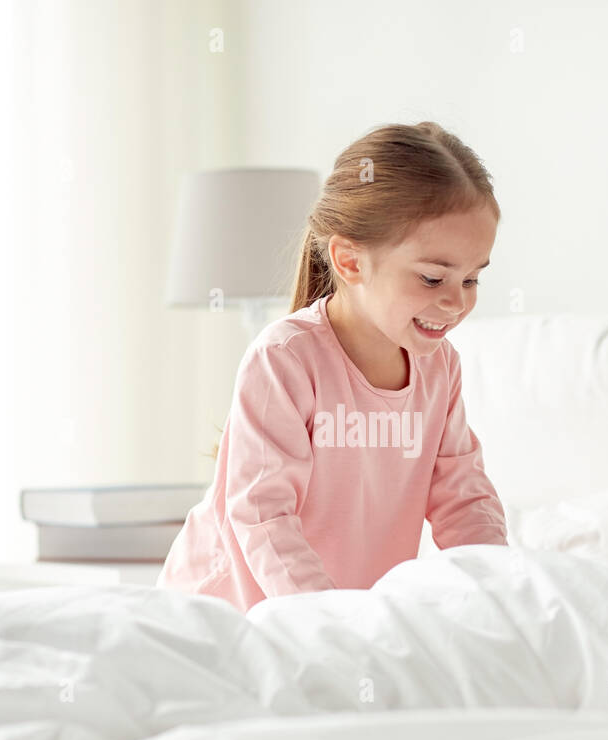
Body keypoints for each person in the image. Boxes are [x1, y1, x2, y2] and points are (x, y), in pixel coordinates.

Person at [158, 121, 507, 611]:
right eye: (433, 278)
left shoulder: (440, 369)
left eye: (471, 279)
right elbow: (263, 516)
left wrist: (502, 594)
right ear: (349, 261)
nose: (456, 302)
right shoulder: (285, 358)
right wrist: (330, 619)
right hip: (231, 613)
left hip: (345, 622)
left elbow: (463, 500)